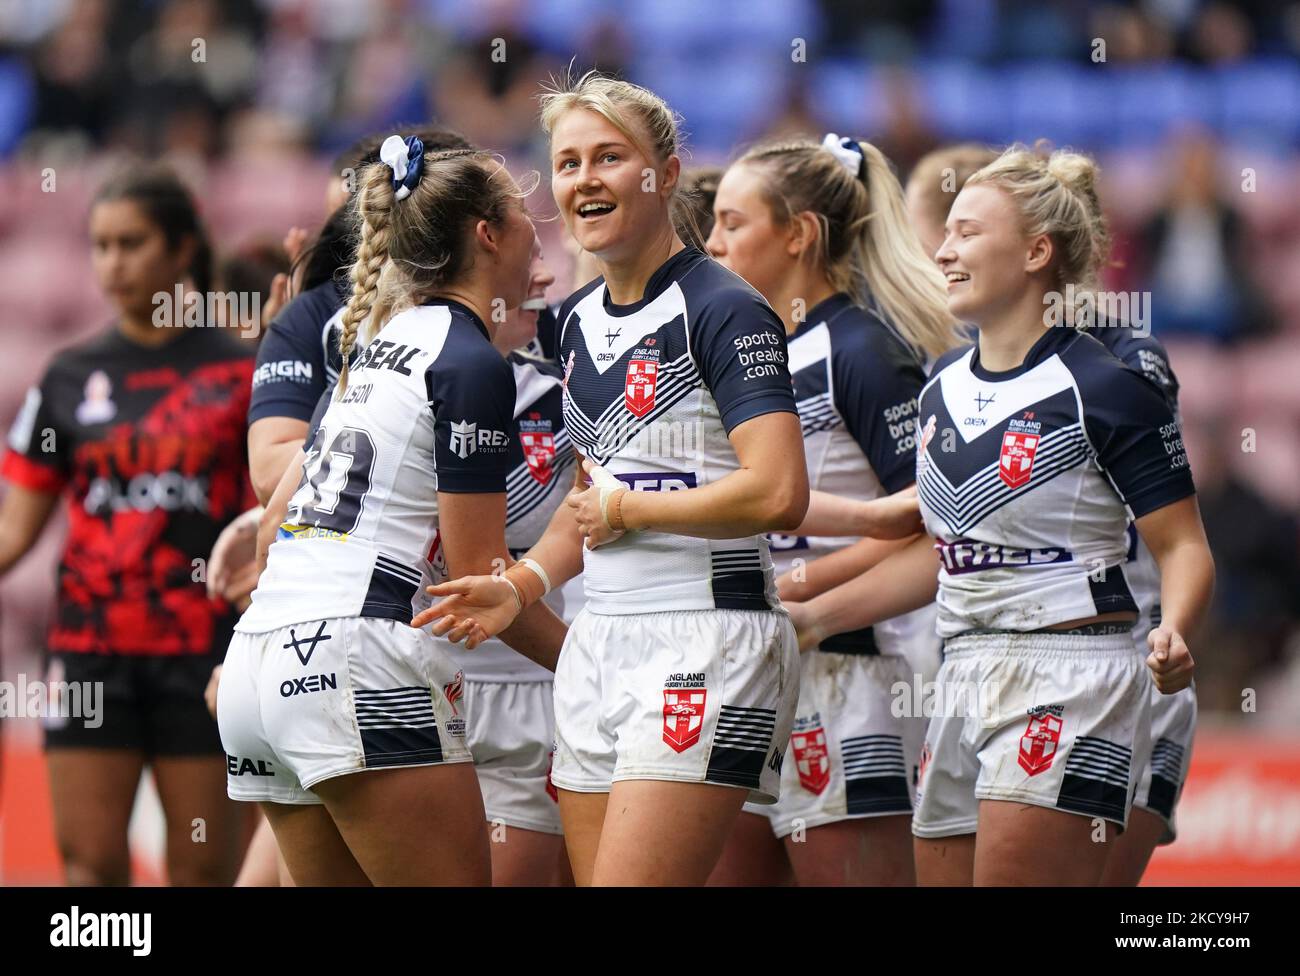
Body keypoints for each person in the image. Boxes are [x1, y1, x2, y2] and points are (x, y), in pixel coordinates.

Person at [414, 71, 809, 886]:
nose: (584, 178)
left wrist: (631, 507)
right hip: (601, 643)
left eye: (609, 157)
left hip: (709, 633)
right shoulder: (576, 324)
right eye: (567, 164)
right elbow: (589, 501)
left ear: (663, 173)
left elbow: (778, 492)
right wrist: (522, 585)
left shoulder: (724, 307)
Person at [795, 145, 1215, 885]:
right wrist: (810, 611)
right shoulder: (939, 389)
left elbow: (1183, 546)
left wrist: (1176, 627)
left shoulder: (1108, 384)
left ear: (1036, 251)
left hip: (1070, 675)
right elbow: (942, 551)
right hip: (961, 671)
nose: (943, 252)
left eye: (965, 233)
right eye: (945, 233)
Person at [217, 138, 566, 885]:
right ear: (488, 232)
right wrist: (591, 665)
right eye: (524, 207)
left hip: (257, 664)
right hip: (355, 660)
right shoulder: (468, 360)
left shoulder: (368, 342)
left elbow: (279, 509)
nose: (541, 224)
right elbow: (477, 587)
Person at [702, 133, 961, 885]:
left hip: (853, 674)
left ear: (799, 234)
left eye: (732, 222)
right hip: (752, 668)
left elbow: (935, 522)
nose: (713, 244)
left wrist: (808, 590)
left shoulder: (861, 350)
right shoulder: (746, 349)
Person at [0, 165, 254, 885]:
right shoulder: (67, 377)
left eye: (131, 243)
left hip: (206, 657)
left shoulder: (242, 375)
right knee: (91, 867)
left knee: (204, 873)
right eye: (100, 246)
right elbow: (13, 531)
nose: (111, 263)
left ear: (180, 250)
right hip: (91, 657)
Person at [441, 256, 581, 885]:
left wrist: (590, 667)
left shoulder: (573, 369)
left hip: (534, 689)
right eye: (523, 260)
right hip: (416, 683)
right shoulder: (383, 365)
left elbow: (600, 506)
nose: (546, 277)